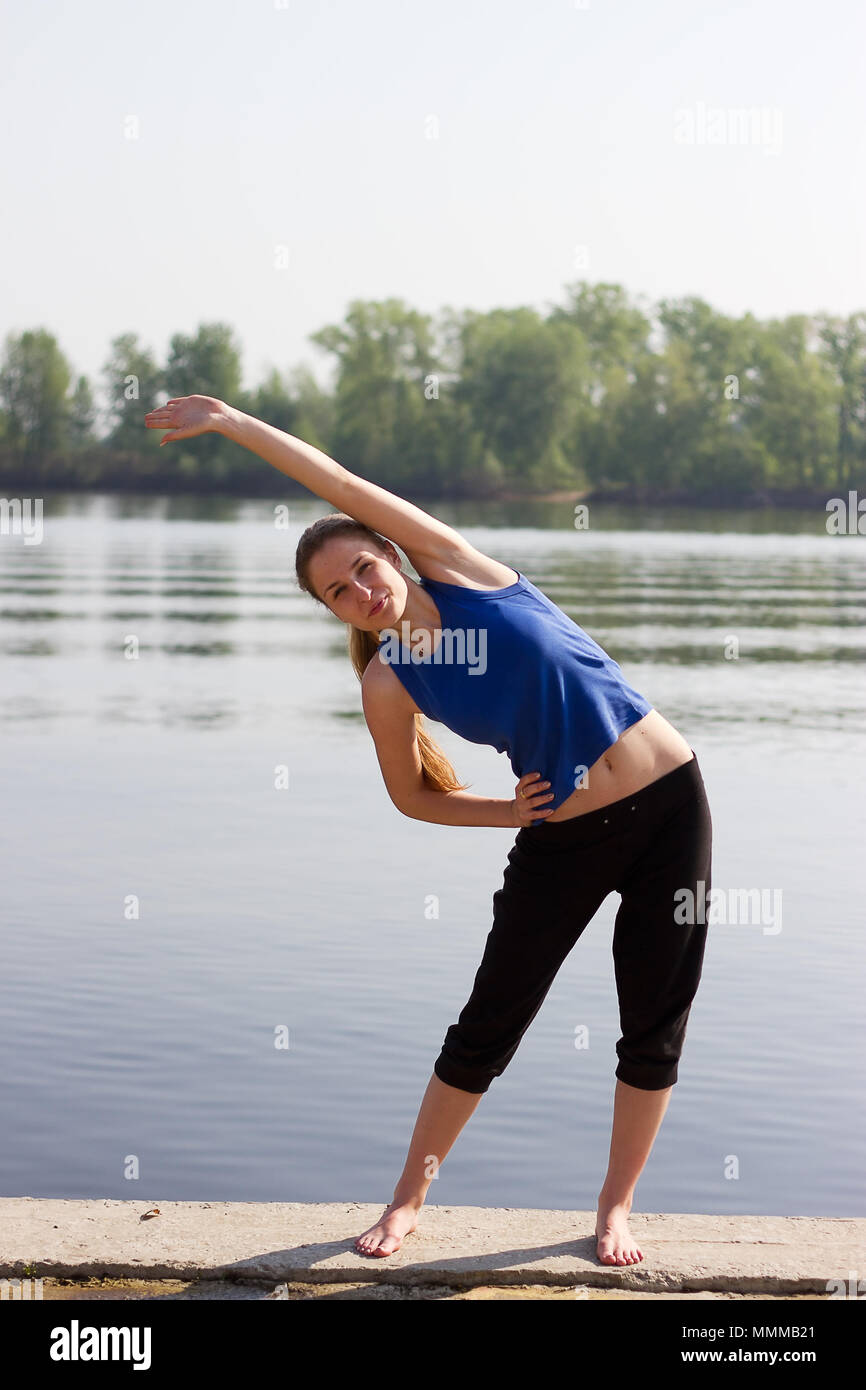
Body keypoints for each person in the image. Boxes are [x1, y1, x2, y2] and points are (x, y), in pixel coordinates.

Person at [144, 395, 713, 1267]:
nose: (361, 592)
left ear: (392, 552)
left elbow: (334, 480)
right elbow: (412, 797)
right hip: (562, 838)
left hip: (673, 805)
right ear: (333, 612)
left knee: (654, 1021)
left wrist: (230, 423)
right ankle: (407, 1200)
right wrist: (504, 813)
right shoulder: (390, 683)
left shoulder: (460, 569)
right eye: (338, 593)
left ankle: (615, 1208)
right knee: (488, 1023)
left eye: (365, 568)